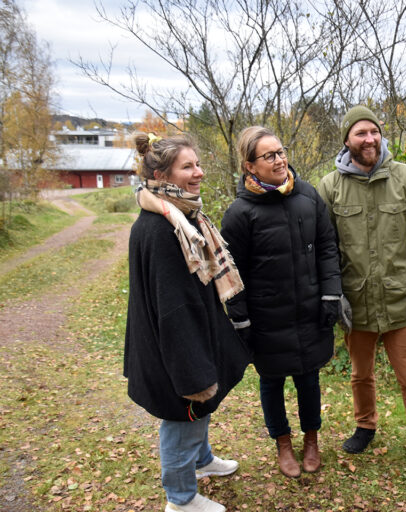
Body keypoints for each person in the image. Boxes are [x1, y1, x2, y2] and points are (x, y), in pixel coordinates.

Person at [124, 132, 250, 512]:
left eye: (198, 164)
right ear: (162, 174)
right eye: (188, 166)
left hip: (189, 337)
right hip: (175, 349)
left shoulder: (177, 215)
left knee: (198, 412)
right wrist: (192, 370)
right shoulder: (164, 230)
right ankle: (180, 499)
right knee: (184, 414)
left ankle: (202, 460)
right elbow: (172, 309)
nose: (199, 173)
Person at [220, 126, 342, 478]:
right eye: (269, 155)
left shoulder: (307, 196)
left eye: (281, 151)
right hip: (266, 318)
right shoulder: (240, 213)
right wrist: (240, 320)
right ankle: (283, 443)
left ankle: (312, 439)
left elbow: (327, 246)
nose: (280, 159)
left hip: (309, 310)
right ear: (249, 166)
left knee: (309, 379)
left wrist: (331, 293)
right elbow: (232, 273)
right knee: (271, 381)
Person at [316, 105, 406, 465]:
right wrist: (334, 293)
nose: (370, 139)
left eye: (374, 131)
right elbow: (326, 247)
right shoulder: (330, 186)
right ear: (347, 139)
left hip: (400, 298)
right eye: (361, 133)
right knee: (360, 374)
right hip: (357, 300)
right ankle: (365, 427)